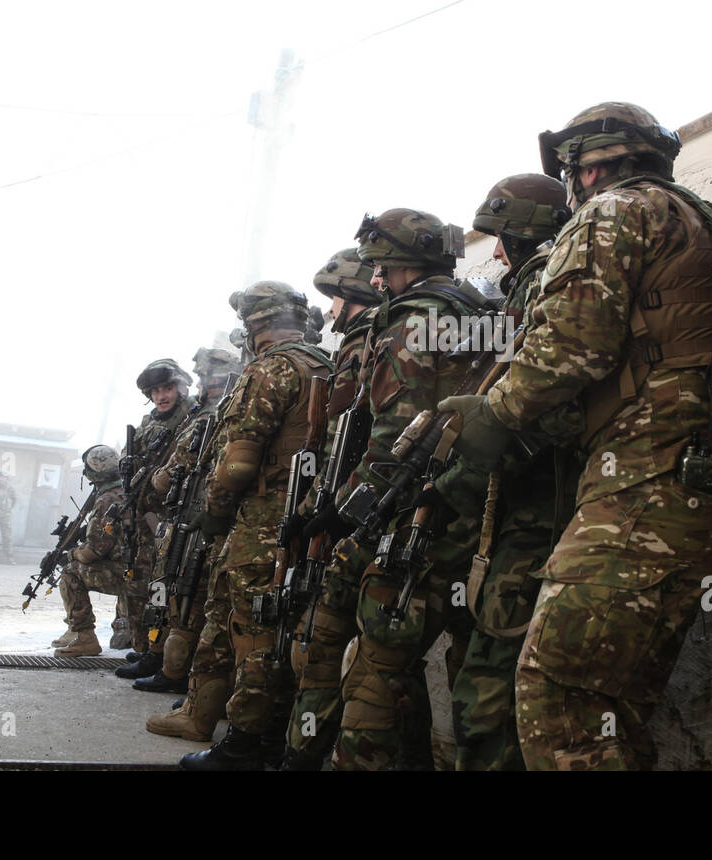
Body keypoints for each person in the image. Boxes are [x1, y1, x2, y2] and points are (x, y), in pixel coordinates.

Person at [441, 103, 712, 769]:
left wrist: (491, 418)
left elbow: (569, 347)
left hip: (644, 482)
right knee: (605, 701)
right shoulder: (696, 220)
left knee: (563, 691)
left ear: (592, 166)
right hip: (685, 478)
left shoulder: (614, 211)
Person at [309, 209, 498, 771]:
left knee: (377, 661)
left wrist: (345, 513)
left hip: (418, 511)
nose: (374, 280)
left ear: (401, 264)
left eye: (381, 267)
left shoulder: (413, 321)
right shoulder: (476, 312)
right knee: (463, 664)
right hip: (473, 508)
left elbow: (397, 438)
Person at [442, 174, 585, 771]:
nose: (497, 252)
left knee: (491, 687)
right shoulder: (538, 285)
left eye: (503, 238)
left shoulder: (548, 279)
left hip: (541, 515)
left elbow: (544, 407)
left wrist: (456, 482)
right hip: (531, 511)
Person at [177, 282, 333, 770]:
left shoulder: (271, 370)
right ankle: (272, 738)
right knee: (284, 625)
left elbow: (239, 462)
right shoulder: (323, 366)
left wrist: (216, 513)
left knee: (253, 628)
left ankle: (243, 743)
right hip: (309, 514)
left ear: (255, 326)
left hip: (266, 517)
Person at [281, 247, 381, 770]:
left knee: (324, 644)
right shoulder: (358, 346)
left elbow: (356, 436)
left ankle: (304, 754)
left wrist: (332, 508)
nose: (331, 310)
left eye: (336, 296)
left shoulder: (370, 343)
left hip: (356, 512)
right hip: (346, 504)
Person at [132, 345, 241, 693]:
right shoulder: (200, 412)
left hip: (200, 509)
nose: (209, 381)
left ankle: (175, 669)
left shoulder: (211, 414)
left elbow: (187, 459)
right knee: (166, 585)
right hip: (182, 506)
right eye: (205, 375)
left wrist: (158, 482)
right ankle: (158, 653)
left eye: (215, 374)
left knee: (185, 589)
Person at [115, 359, 196, 679]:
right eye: (156, 391)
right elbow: (131, 460)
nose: (162, 396)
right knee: (141, 584)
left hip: (168, 516)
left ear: (180, 387)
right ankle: (147, 647)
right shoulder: (149, 422)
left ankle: (160, 654)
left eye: (167, 388)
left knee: (163, 587)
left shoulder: (190, 420)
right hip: (142, 517)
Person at [52, 446, 127, 656]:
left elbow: (92, 552)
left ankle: (85, 638)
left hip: (129, 577)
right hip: (143, 572)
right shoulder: (128, 491)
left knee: (71, 571)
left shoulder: (106, 500)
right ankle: (74, 631)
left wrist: (71, 553)